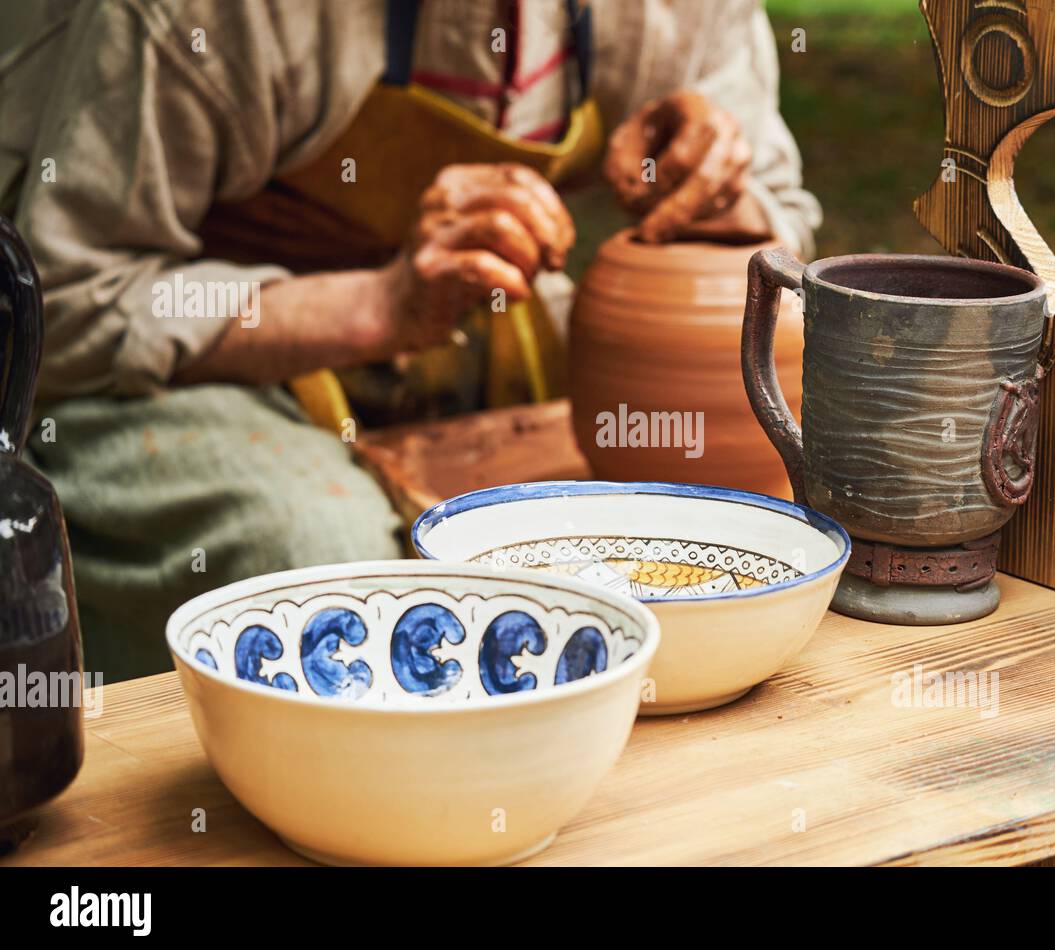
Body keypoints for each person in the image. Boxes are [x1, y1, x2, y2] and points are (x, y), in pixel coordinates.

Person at [0, 0, 820, 680]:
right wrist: (378, 305)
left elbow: (781, 240)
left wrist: (715, 194)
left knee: (737, 501)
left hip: (488, 312)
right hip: (178, 362)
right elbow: (61, 303)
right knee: (327, 566)